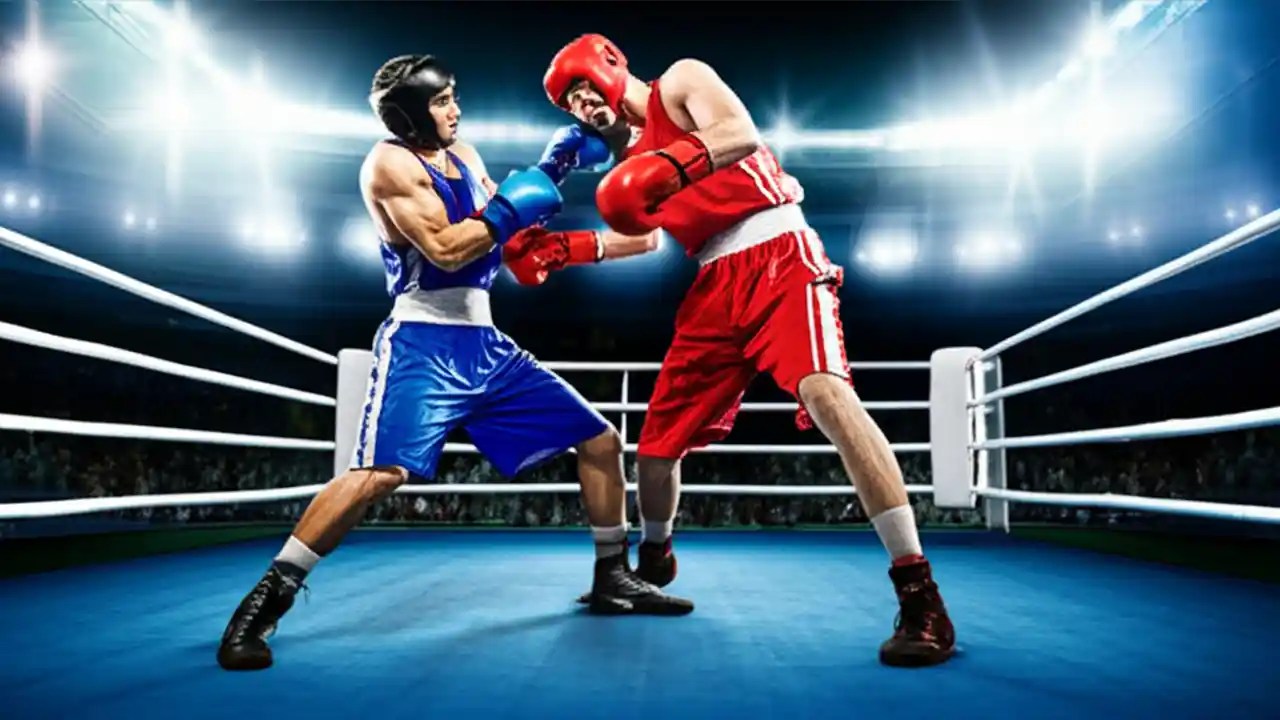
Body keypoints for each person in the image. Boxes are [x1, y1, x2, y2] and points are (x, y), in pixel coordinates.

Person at [216, 53, 692, 672]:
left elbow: (503, 229)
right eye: (442, 102)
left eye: (453, 97)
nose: (455, 110)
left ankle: (612, 577)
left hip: (485, 342)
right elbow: (445, 248)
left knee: (599, 439)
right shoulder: (386, 165)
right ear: (412, 113)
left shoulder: (463, 155)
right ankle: (264, 603)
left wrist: (557, 178)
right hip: (422, 339)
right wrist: (517, 204)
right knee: (377, 475)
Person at [523, 34, 956, 668]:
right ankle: (656, 555)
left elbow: (739, 133)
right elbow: (642, 242)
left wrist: (667, 166)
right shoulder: (622, 169)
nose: (584, 107)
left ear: (610, 68)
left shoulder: (681, 80)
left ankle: (920, 595)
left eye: (585, 89)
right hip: (712, 284)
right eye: (571, 104)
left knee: (827, 393)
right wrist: (565, 249)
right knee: (656, 449)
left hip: (779, 253)